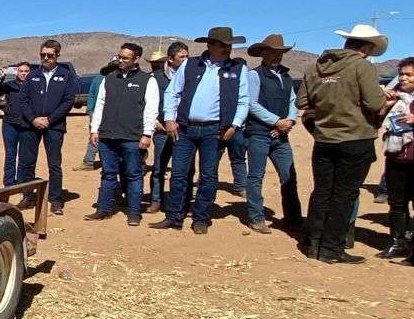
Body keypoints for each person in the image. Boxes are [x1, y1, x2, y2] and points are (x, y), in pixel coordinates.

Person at [296, 23, 387, 263]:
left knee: (323, 191)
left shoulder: (315, 67)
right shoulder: (362, 66)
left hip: (324, 138)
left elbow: (302, 101)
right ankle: (331, 248)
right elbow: (375, 103)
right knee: (344, 194)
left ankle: (313, 243)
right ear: (366, 47)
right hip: (355, 139)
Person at [152, 27, 250, 234]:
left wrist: (234, 125)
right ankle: (174, 217)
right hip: (185, 129)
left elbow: (243, 101)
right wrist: (169, 118)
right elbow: (172, 93)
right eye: (223, 45)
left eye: (229, 45)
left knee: (208, 176)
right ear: (210, 45)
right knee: (179, 174)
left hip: (215, 130)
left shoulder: (237, 69)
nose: (227, 49)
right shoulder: (190, 64)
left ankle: (201, 218)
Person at [85, 43, 160, 225]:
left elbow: (151, 109)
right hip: (107, 136)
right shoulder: (108, 79)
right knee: (108, 174)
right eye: (120, 57)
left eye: (125, 58)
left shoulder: (147, 81)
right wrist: (95, 130)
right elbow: (100, 106)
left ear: (135, 59)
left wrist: (147, 134)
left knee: (133, 175)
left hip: (132, 137)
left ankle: (134, 212)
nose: (121, 61)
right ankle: (103, 209)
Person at [241, 33, 303, 232]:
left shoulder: (286, 76)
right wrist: (276, 121)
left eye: (280, 53)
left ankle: (293, 219)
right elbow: (252, 104)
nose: (277, 56)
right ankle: (256, 217)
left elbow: (293, 101)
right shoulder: (254, 75)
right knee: (256, 176)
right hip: (259, 134)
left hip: (281, 136)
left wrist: (290, 120)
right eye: (273, 52)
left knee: (288, 175)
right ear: (263, 53)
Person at [374, 58, 414, 258]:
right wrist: (385, 106)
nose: (403, 78)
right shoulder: (396, 98)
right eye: (401, 74)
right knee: (396, 202)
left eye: (409, 74)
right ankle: (396, 241)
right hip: (396, 155)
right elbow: (377, 122)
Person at [16, 40, 79, 215]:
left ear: (57, 55)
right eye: (43, 55)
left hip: (54, 126)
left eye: (50, 55)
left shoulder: (66, 76)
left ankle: (56, 199)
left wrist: (50, 120)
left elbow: (68, 101)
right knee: (27, 162)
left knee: (54, 164)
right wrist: (33, 118)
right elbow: (23, 100)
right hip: (30, 125)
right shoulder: (32, 75)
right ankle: (28, 196)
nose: (46, 58)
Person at [146, 43, 189, 213]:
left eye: (187, 56)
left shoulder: (191, 76)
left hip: (184, 130)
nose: (186, 60)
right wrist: (155, 121)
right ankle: (156, 200)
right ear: (171, 59)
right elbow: (148, 102)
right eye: (182, 57)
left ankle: (181, 202)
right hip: (162, 130)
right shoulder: (155, 78)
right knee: (159, 167)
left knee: (184, 168)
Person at [0, 62, 33, 186]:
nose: (23, 73)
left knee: (23, 155)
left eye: (26, 71)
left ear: (30, 72)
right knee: (10, 154)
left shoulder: (34, 86)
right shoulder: (10, 85)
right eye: (21, 71)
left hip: (27, 124)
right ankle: (8, 182)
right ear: (17, 73)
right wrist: (0, 78)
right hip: (10, 124)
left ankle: (21, 181)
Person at [78, 63, 116, 170]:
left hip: (113, 115)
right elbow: (92, 95)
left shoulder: (120, 81)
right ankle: (89, 162)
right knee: (94, 136)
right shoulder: (98, 79)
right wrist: (90, 111)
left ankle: (110, 162)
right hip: (96, 113)